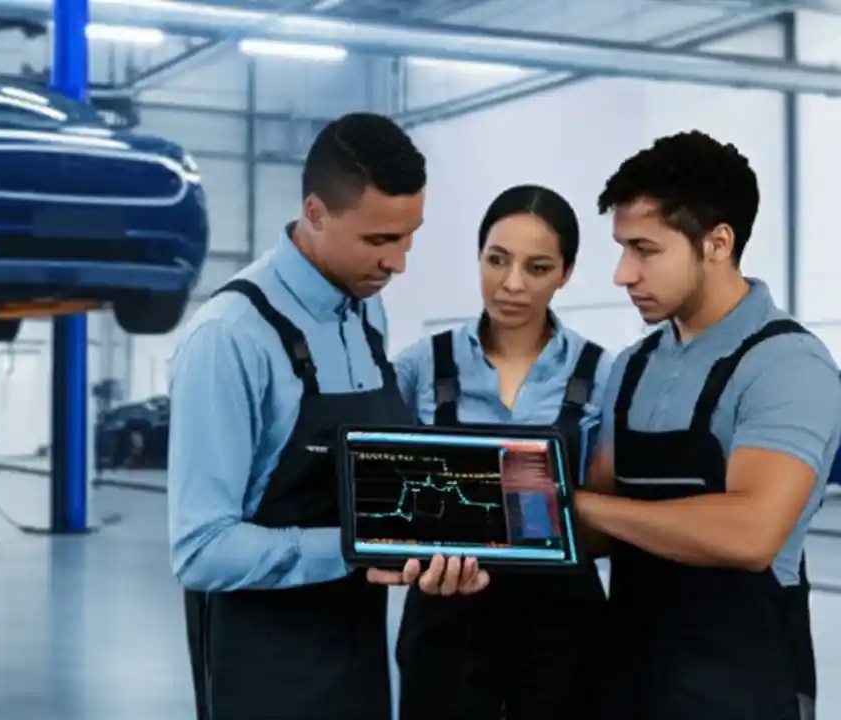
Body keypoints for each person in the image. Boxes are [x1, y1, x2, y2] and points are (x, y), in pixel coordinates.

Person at [167, 112, 489, 720]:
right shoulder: (229, 339)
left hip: (357, 655)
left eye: (408, 237)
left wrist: (431, 541)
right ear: (315, 213)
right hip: (264, 670)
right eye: (378, 240)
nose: (398, 262)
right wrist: (361, 548)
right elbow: (201, 549)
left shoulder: (366, 315)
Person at [576, 130, 841, 719]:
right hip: (627, 683)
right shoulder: (633, 366)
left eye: (645, 250)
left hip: (741, 691)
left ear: (718, 243)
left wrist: (584, 508)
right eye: (622, 248)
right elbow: (593, 528)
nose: (623, 274)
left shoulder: (788, 365)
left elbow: (751, 532)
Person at [391, 184, 613, 720]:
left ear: (565, 273)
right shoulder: (421, 366)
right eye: (497, 260)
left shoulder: (603, 375)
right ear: (479, 258)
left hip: (564, 633)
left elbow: (609, 517)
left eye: (538, 268)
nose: (512, 284)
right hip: (444, 623)